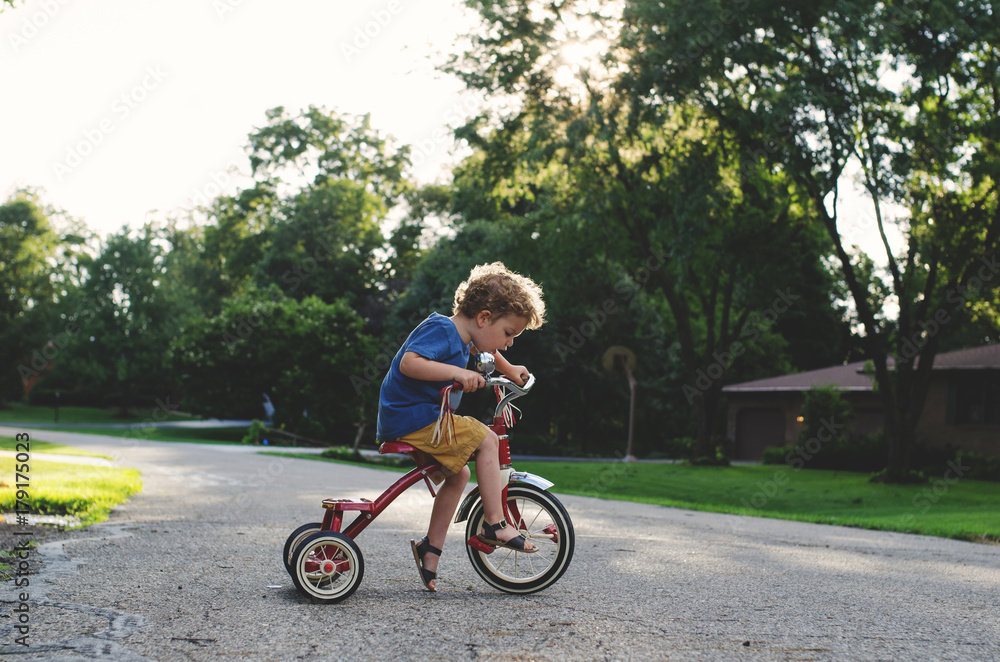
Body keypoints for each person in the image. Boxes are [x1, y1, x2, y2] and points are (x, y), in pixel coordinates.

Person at [376, 262, 546, 592]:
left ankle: (430, 550)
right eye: (509, 333)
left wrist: (509, 369)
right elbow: (410, 363)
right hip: (414, 418)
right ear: (483, 318)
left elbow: (487, 351)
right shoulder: (442, 330)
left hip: (419, 418)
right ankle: (496, 524)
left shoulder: (464, 336)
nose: (509, 342)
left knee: (460, 475)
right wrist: (456, 373)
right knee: (486, 440)